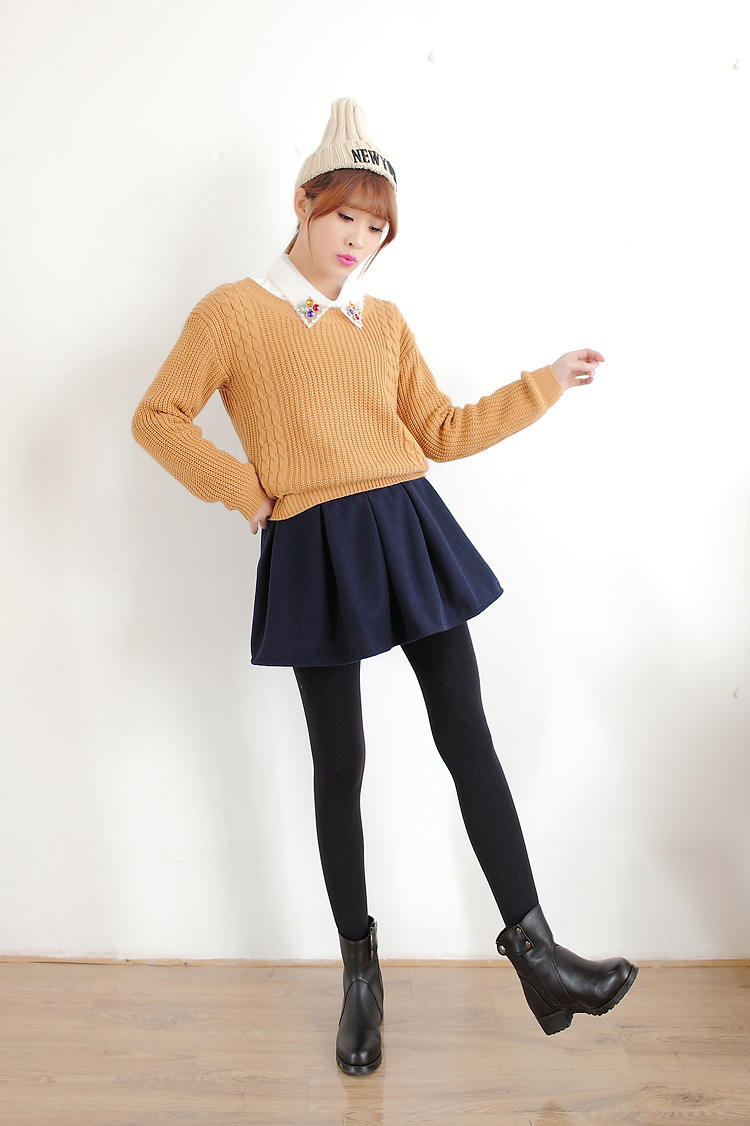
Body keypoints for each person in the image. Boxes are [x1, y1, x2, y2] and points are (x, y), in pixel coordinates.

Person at [132, 98, 637, 1076]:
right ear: (303, 205)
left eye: (376, 227)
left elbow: (439, 430)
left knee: (468, 737)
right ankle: (361, 979)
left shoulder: (385, 321)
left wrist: (542, 382)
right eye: (345, 217)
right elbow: (159, 415)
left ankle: (539, 956)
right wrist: (246, 489)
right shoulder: (233, 312)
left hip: (406, 529)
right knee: (341, 762)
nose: (358, 240)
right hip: (312, 546)